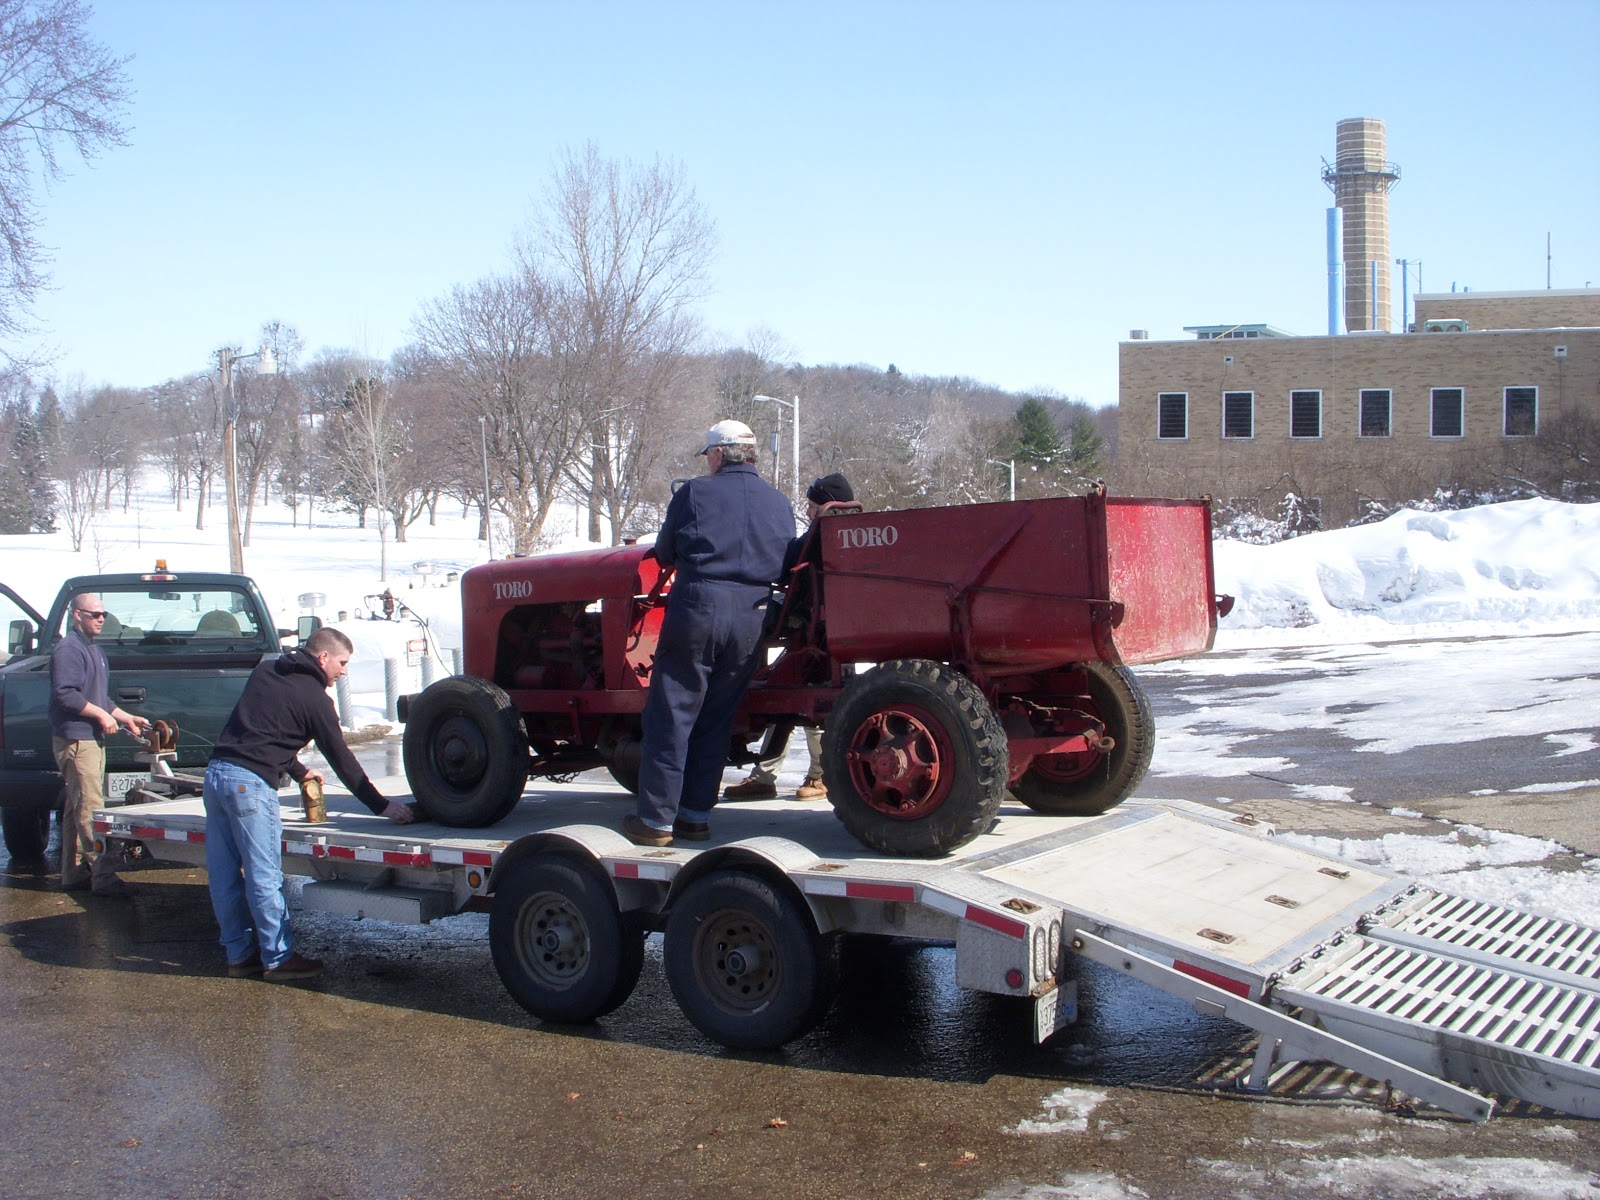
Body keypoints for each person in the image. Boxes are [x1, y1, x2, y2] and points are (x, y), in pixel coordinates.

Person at [621, 419, 797, 847]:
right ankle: (695, 816)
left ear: (718, 454)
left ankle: (657, 821)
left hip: (699, 606)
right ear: (751, 455)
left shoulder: (695, 493)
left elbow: (664, 552)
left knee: (673, 714)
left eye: (709, 455)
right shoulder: (778, 503)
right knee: (716, 719)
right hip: (752, 615)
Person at [203, 625, 415, 981]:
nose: (344, 671)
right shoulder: (317, 700)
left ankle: (239, 957)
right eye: (342, 662)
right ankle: (279, 959)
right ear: (323, 657)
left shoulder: (267, 670)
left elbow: (262, 729)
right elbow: (342, 760)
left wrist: (299, 770)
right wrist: (381, 806)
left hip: (217, 775)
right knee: (264, 876)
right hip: (251, 787)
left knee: (224, 876)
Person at [722, 472, 857, 802]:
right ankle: (794, 775)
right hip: (836, 624)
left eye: (811, 506)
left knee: (798, 694)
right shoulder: (852, 531)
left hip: (807, 623)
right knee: (801, 694)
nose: (809, 513)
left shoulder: (819, 531)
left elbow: (781, 567)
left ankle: (803, 775)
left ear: (824, 503)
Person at [49, 593, 151, 896]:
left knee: (75, 807)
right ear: (77, 615)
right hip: (78, 740)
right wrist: (99, 716)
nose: (101, 619)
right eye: (94, 614)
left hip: (89, 738)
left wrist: (124, 717)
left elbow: (100, 698)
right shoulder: (69, 649)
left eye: (103, 614)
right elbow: (65, 694)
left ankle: (74, 874)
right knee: (91, 810)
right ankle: (104, 879)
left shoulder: (92, 649)